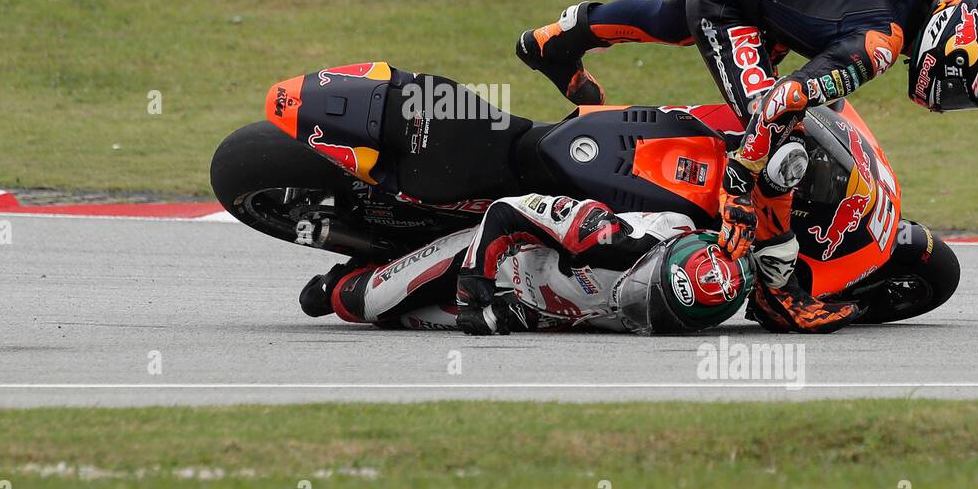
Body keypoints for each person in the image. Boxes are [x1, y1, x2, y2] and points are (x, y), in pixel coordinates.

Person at [516, 0, 978, 330]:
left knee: (669, 21)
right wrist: (742, 182)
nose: (950, 101)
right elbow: (782, 102)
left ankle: (553, 41)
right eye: (963, 88)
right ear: (951, 53)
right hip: (734, 0)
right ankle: (779, 291)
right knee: (784, 146)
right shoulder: (877, 46)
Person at [295, 190, 847, 336]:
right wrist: (476, 287)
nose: (637, 308)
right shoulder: (605, 237)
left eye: (660, 313)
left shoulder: (716, 281)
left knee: (397, 322)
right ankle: (339, 267)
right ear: (650, 260)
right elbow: (508, 212)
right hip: (494, 261)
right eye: (644, 293)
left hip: (527, 317)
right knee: (353, 302)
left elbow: (774, 276)